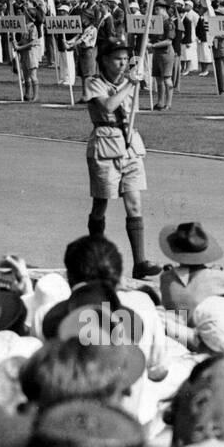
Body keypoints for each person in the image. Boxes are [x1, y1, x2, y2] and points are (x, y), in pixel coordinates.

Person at [84, 33, 161, 279]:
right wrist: (130, 83)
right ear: (104, 60)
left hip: (130, 145)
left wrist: (137, 81)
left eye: (125, 59)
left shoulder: (131, 81)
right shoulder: (94, 82)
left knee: (135, 203)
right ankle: (96, 257)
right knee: (101, 204)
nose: (122, 63)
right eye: (117, 59)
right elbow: (107, 106)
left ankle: (140, 262)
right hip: (106, 146)